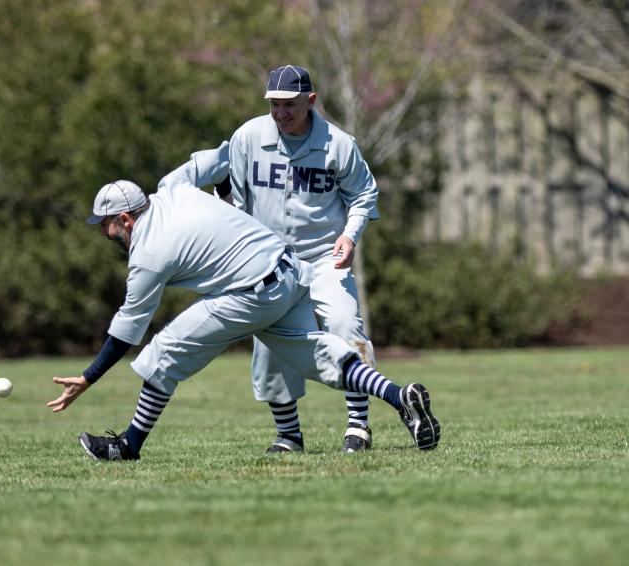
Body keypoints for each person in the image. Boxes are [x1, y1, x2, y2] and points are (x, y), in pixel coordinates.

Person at [46, 144, 439, 461]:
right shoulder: (173, 186)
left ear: (127, 219)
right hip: (291, 270)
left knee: (165, 349)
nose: (105, 233)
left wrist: (88, 377)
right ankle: (399, 397)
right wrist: (227, 196)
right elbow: (223, 156)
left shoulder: (148, 254)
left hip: (254, 290)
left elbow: (126, 330)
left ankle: (128, 446)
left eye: (106, 224)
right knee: (317, 356)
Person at [223, 64, 383, 454]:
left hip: (324, 256)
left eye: (289, 105)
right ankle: (289, 435)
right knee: (272, 345)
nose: (280, 114)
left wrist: (350, 234)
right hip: (270, 262)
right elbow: (233, 200)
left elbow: (364, 194)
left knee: (346, 324)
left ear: (311, 101)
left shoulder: (338, 143)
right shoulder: (247, 138)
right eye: (274, 105)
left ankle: (358, 426)